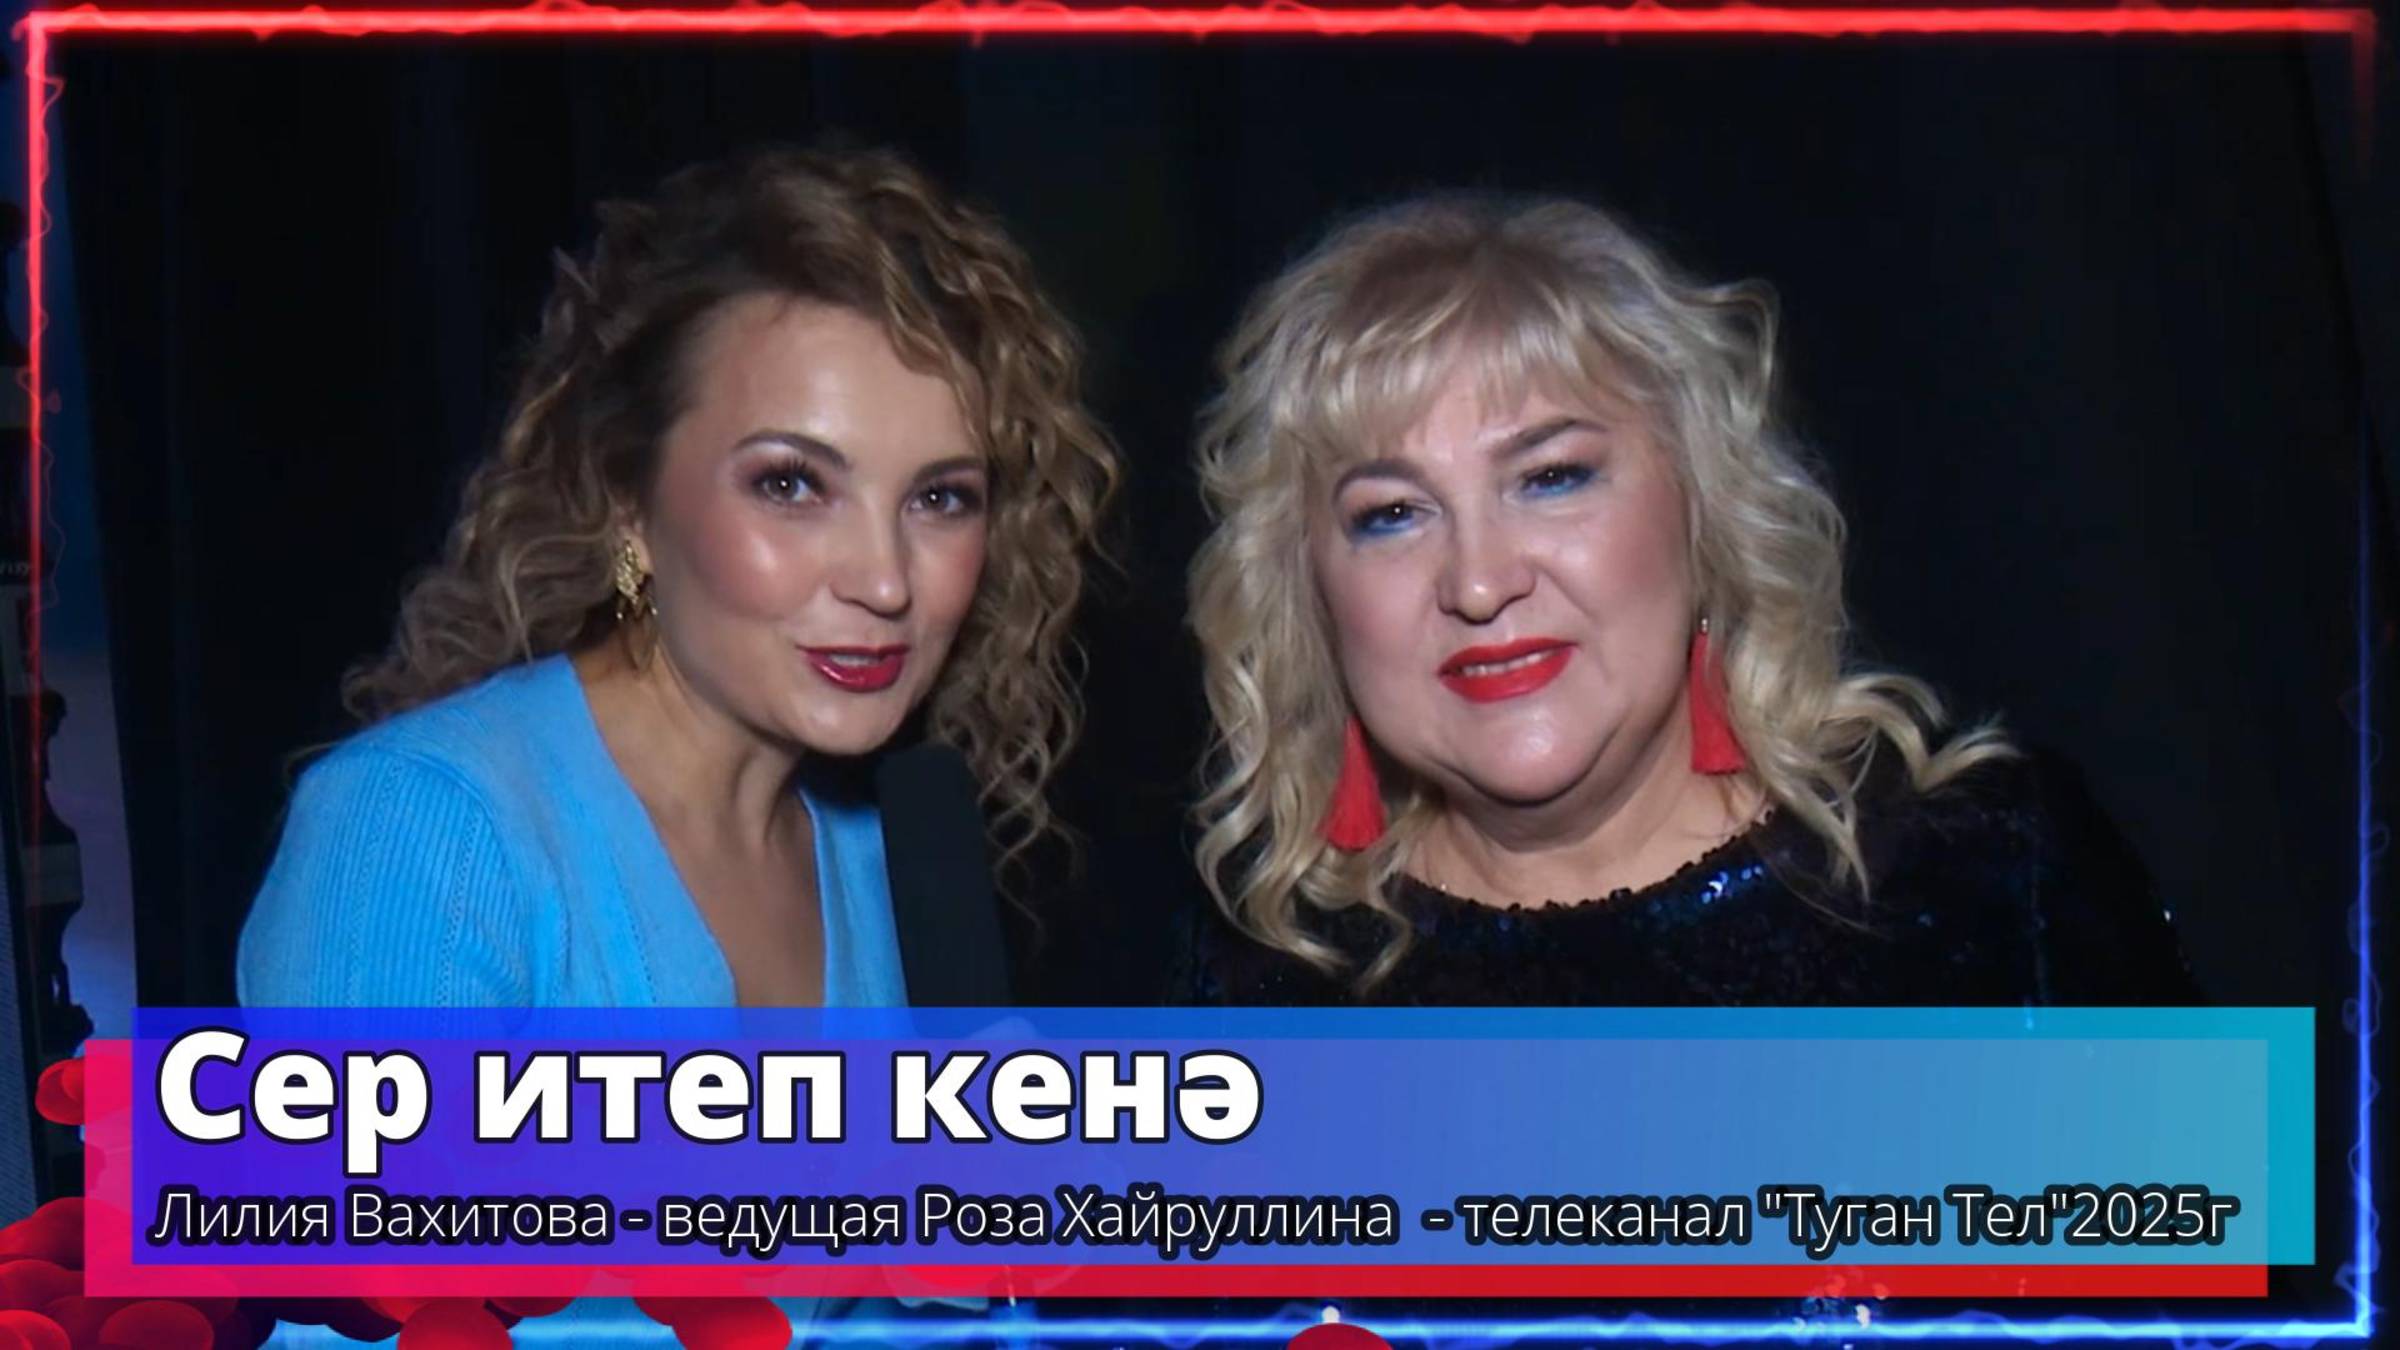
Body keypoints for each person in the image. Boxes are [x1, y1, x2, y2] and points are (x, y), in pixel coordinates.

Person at [1187, 193, 2198, 1006]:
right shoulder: (1262, 995)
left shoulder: (1992, 877)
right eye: (1393, 515)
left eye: (1551, 477)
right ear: (1311, 596)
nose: (1481, 584)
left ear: (1703, 509)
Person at [239, 144, 1116, 1012]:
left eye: (939, 497)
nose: (885, 582)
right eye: (791, 485)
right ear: (628, 501)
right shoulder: (427, 831)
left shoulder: (889, 873)